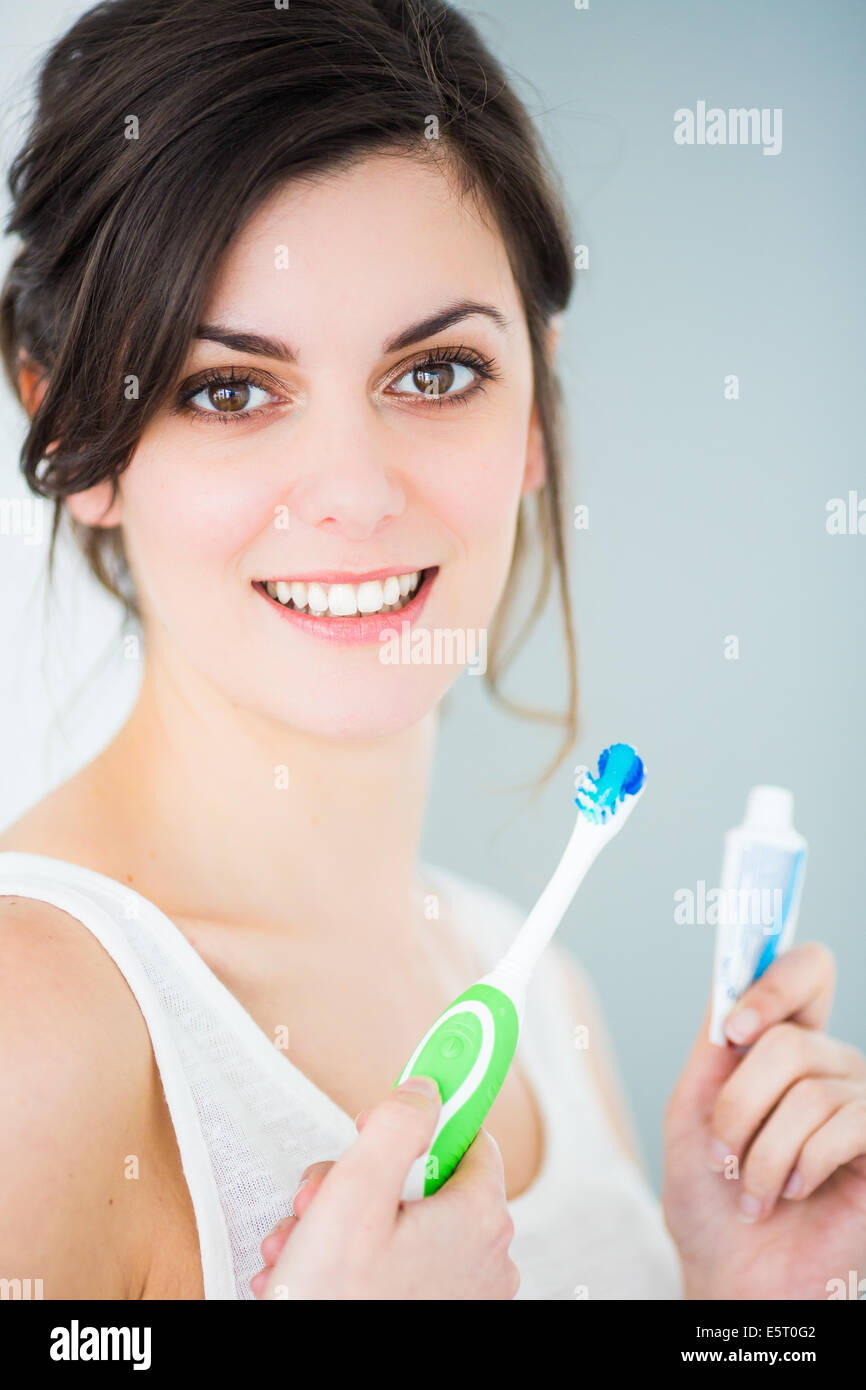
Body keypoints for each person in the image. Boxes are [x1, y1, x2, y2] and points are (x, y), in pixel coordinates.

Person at [1, 0, 864, 1302]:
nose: (351, 492)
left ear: (534, 406)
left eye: (435, 372)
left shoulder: (541, 997)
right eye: (229, 388)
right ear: (68, 429)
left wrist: (743, 1304)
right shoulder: (34, 1026)